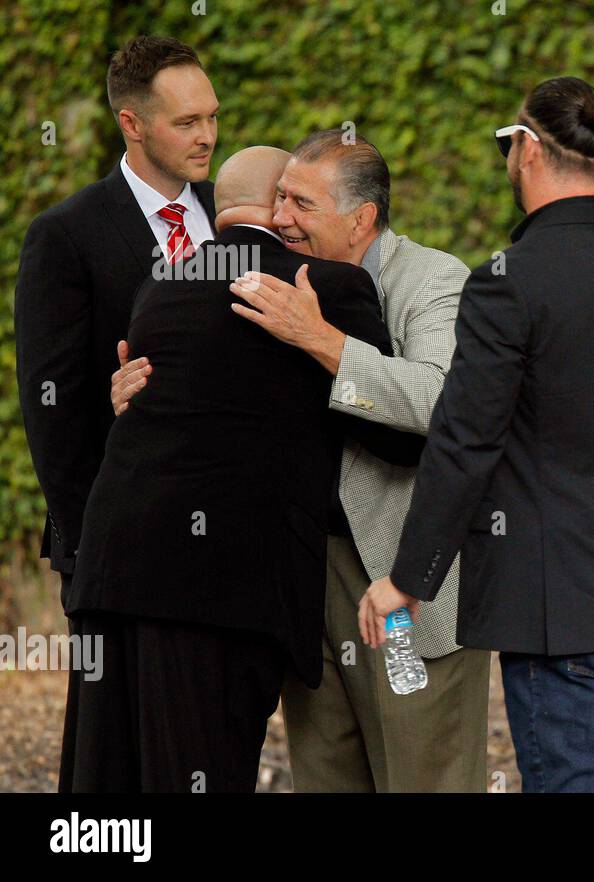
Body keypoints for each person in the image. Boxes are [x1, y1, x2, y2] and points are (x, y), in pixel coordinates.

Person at [116, 130, 490, 792]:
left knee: (423, 774)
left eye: (300, 204)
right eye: (279, 196)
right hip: (302, 578)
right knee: (324, 777)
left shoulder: (434, 280)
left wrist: (322, 341)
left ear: (361, 219)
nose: (278, 217)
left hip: (400, 582)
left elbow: (439, 403)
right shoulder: (277, 277)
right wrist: (139, 397)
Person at [358, 76, 594, 793]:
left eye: (508, 144)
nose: (507, 159)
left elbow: (465, 439)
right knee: (581, 774)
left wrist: (407, 579)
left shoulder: (509, 280)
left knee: (567, 784)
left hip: (554, 603)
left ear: (530, 150)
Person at [60, 146, 420, 792]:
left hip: (110, 567)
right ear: (278, 199)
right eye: (292, 197)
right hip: (220, 591)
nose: (292, 213)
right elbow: (398, 439)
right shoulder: (329, 288)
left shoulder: (159, 286)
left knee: (103, 785)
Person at [16, 35, 217, 611]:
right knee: (115, 703)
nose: (207, 136)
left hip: (232, 537)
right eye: (186, 122)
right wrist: (88, 541)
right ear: (132, 123)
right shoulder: (66, 234)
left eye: (211, 117)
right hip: (120, 538)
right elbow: (51, 405)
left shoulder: (230, 214)